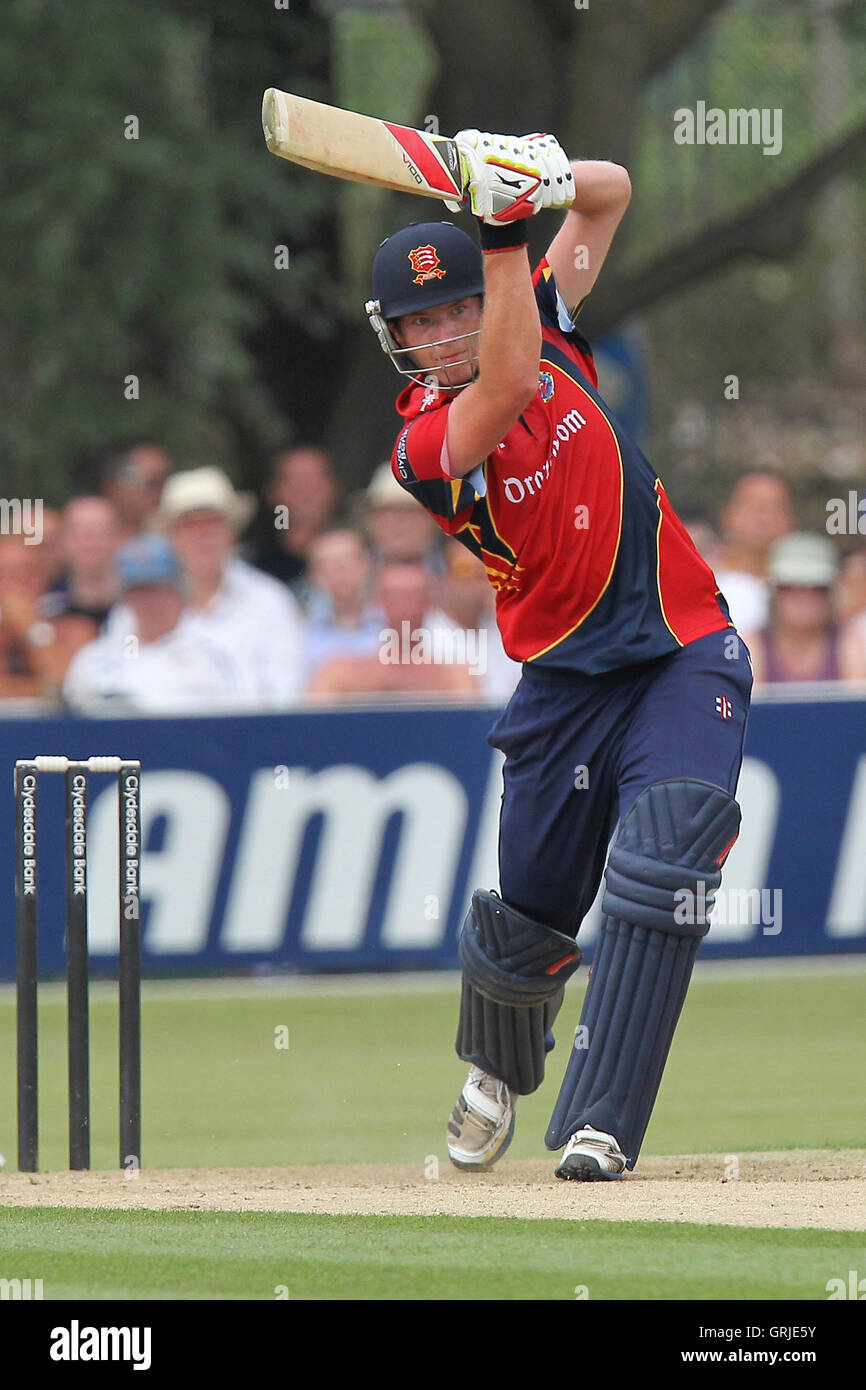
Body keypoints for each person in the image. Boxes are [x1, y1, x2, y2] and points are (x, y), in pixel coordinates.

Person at [367, 129, 752, 1181]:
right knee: (530, 913)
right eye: (422, 321)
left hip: (682, 650)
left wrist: (529, 171)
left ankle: (600, 1123)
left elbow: (612, 192)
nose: (445, 334)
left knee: (666, 858)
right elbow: (501, 386)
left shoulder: (538, 307)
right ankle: (495, 1067)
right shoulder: (423, 443)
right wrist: (499, 230)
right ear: (395, 339)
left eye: (455, 311)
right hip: (563, 689)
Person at [157, 466, 305, 706]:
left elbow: (285, 694)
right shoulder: (141, 605)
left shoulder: (270, 601)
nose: (202, 536)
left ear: (231, 532)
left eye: (212, 524)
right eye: (189, 526)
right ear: (170, 537)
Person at [63, 535, 247, 713]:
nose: (147, 602)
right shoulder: (95, 659)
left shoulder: (212, 655)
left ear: (179, 590)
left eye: (157, 589)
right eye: (137, 591)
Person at [742, 533, 866, 683]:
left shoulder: (850, 642)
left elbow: (855, 703)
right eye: (789, 586)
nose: (803, 597)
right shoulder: (750, 647)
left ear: (832, 592)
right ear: (772, 591)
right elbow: (750, 705)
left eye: (817, 587)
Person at [250, 445, 341, 594]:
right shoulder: (254, 568)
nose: (306, 492)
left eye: (315, 481)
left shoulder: (364, 561)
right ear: (272, 493)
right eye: (295, 482)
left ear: (335, 488)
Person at [713, 471, 795, 635]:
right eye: (752, 505)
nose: (764, 516)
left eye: (775, 507)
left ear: (791, 522)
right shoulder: (704, 584)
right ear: (727, 516)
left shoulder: (812, 592)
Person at [302, 528, 382, 683]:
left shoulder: (396, 622)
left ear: (368, 565)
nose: (339, 571)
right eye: (326, 564)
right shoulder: (301, 631)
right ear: (313, 575)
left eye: (348, 560)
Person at [99, 439, 172, 540]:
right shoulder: (92, 543)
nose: (162, 491)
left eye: (166, 481)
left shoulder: (176, 539)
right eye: (153, 483)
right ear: (114, 486)